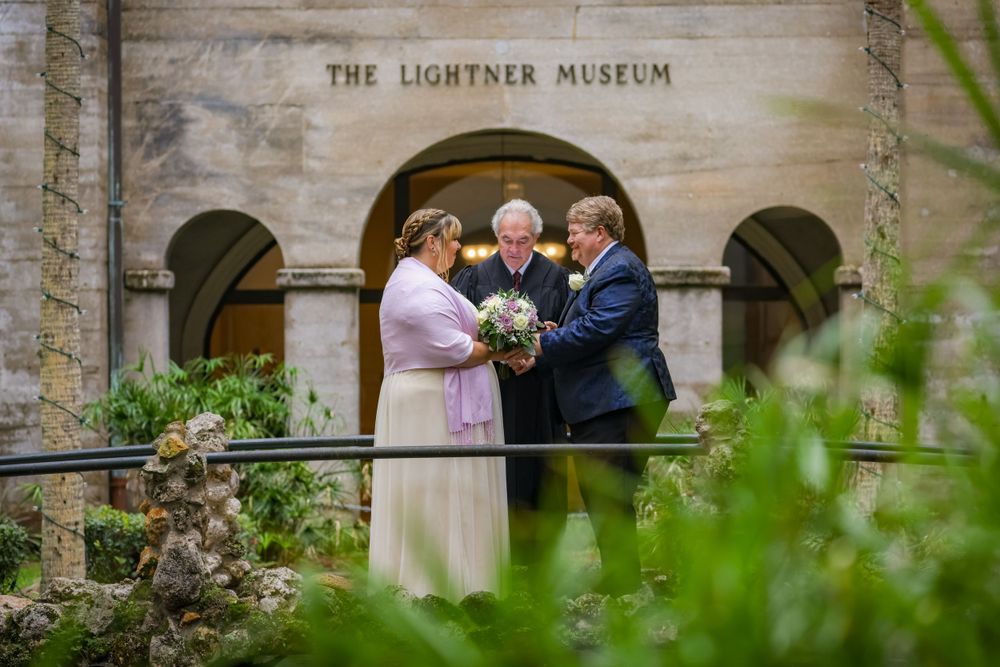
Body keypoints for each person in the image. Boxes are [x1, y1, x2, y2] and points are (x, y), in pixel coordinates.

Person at [368, 208, 521, 600]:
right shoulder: (412, 288)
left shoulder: (429, 282)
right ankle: (431, 587)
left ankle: (470, 581)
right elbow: (453, 346)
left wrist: (517, 333)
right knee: (433, 492)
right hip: (427, 406)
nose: (458, 246)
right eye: (453, 238)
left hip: (439, 402)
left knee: (453, 490)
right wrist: (507, 350)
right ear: (432, 242)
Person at [529, 195, 675, 595]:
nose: (570, 241)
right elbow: (593, 327)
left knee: (609, 491)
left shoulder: (621, 269)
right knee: (605, 492)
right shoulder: (604, 270)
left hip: (620, 397)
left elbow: (597, 330)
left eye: (575, 233)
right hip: (606, 398)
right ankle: (620, 578)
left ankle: (623, 586)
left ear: (600, 232)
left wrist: (540, 345)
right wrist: (556, 333)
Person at [452, 199, 569, 566]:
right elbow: (459, 333)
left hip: (539, 397)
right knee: (492, 473)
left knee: (541, 474)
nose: (514, 250)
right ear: (496, 238)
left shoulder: (559, 280)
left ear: (535, 237)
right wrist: (501, 353)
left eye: (522, 241)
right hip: (492, 392)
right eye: (506, 240)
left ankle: (541, 563)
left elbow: (573, 336)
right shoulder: (474, 278)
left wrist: (539, 354)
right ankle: (488, 560)